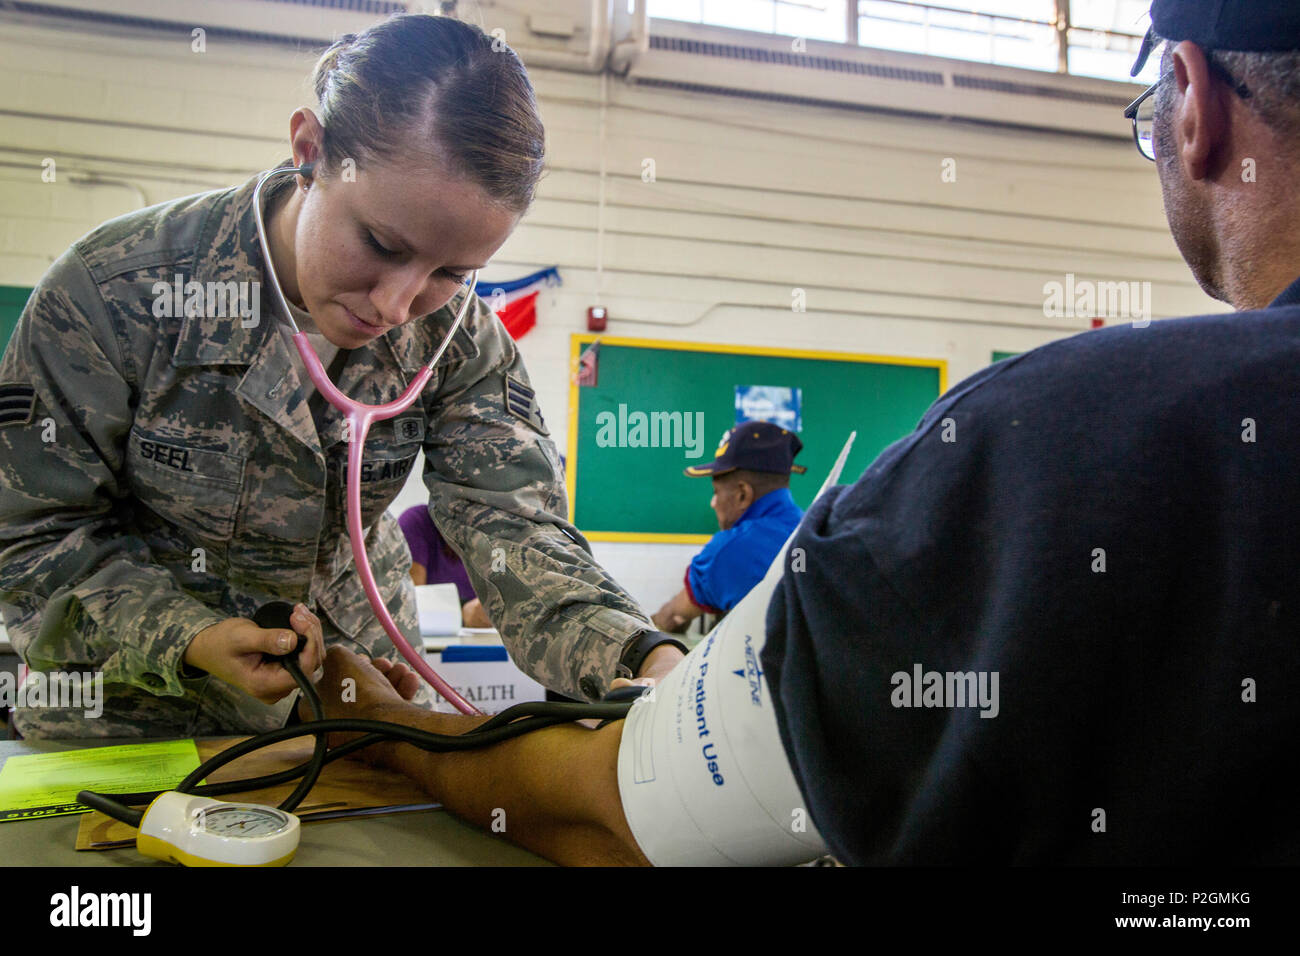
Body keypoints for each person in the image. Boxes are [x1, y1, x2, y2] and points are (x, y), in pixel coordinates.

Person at [286, 0, 1300, 866]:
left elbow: (628, 810)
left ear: (1192, 99)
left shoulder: (1052, 443)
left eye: (450, 274)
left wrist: (387, 729)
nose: (403, 298)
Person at [0, 14, 683, 739]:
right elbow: (30, 539)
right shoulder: (113, 294)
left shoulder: (460, 341)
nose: (397, 305)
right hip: (138, 710)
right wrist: (188, 637)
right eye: (382, 243)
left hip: (365, 696)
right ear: (309, 149)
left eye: (451, 272)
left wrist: (645, 651)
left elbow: (516, 530)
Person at [651, 422, 806, 633]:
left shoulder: (730, 549)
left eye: (716, 492)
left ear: (742, 494)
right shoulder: (814, 529)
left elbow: (672, 617)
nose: (713, 503)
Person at [397, 504, 491, 628]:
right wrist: (462, 614)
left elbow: (503, 589)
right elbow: (412, 604)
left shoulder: (496, 533)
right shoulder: (416, 521)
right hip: (437, 640)